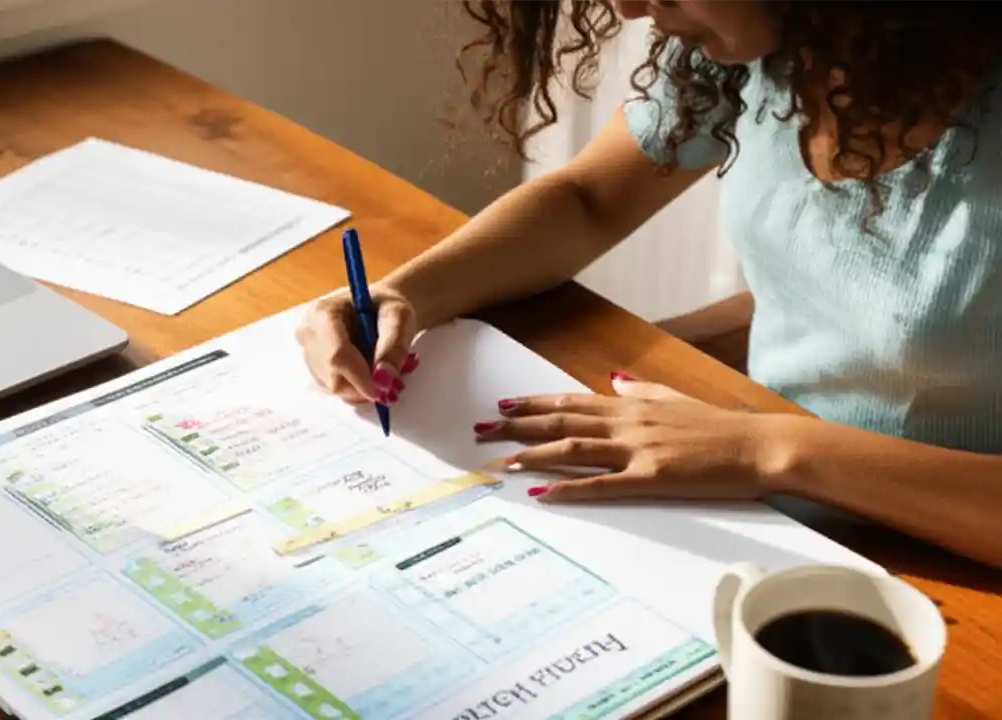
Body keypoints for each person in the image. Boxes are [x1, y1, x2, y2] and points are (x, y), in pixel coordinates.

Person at [294, 0, 1002, 569]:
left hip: (942, 557)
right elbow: (588, 199)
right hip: (766, 497)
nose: (631, 9)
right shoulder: (773, 43)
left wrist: (769, 451)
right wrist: (408, 294)